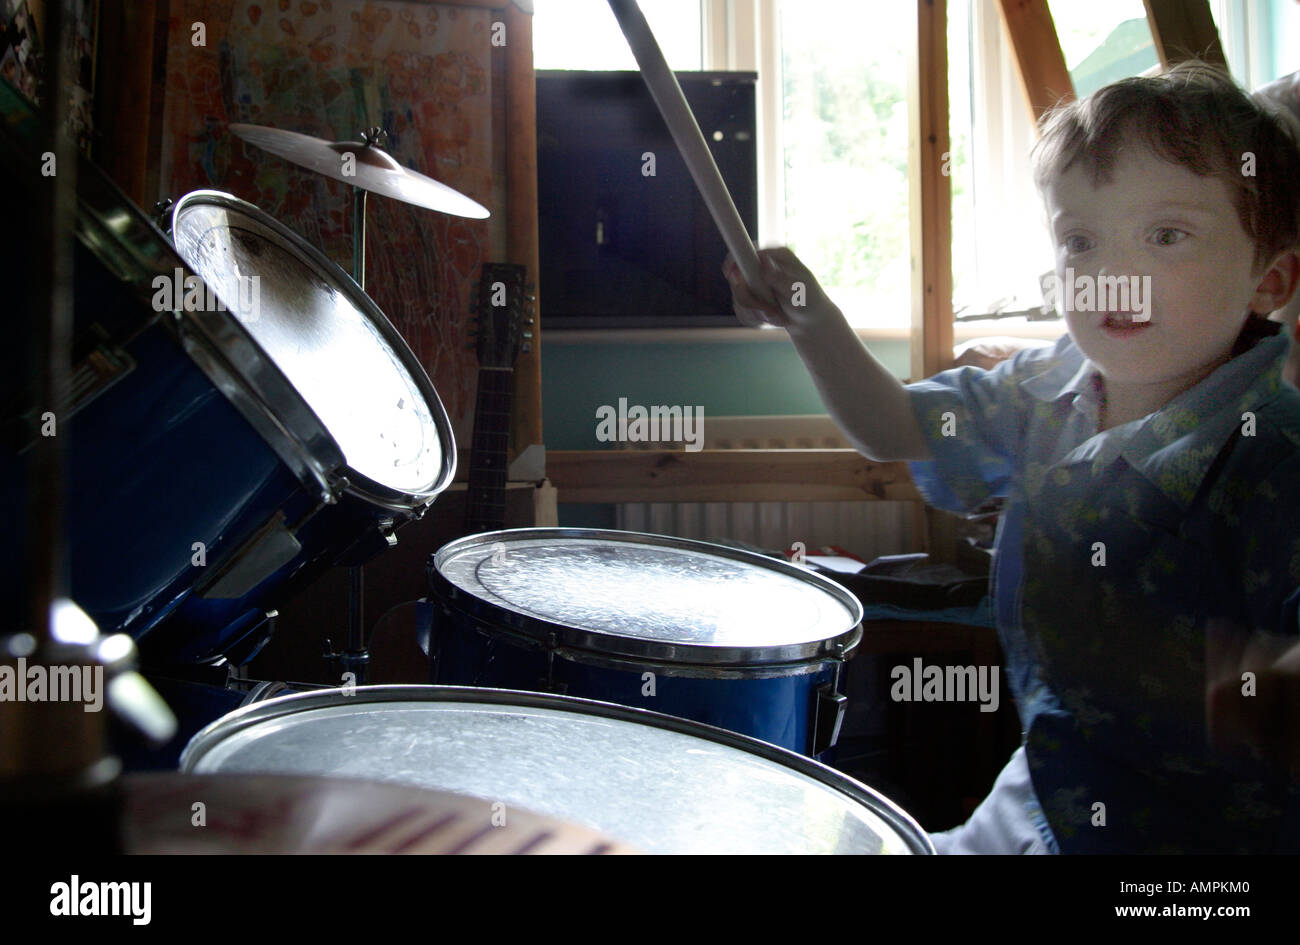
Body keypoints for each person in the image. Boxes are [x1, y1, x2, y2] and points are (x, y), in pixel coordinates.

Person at [724, 61, 1300, 854]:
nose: (1112, 276)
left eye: (1166, 235)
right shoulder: (1044, 387)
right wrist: (809, 319)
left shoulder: (1277, 465)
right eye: (1081, 240)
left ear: (1268, 279)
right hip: (1046, 798)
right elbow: (893, 426)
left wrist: (1177, 677)